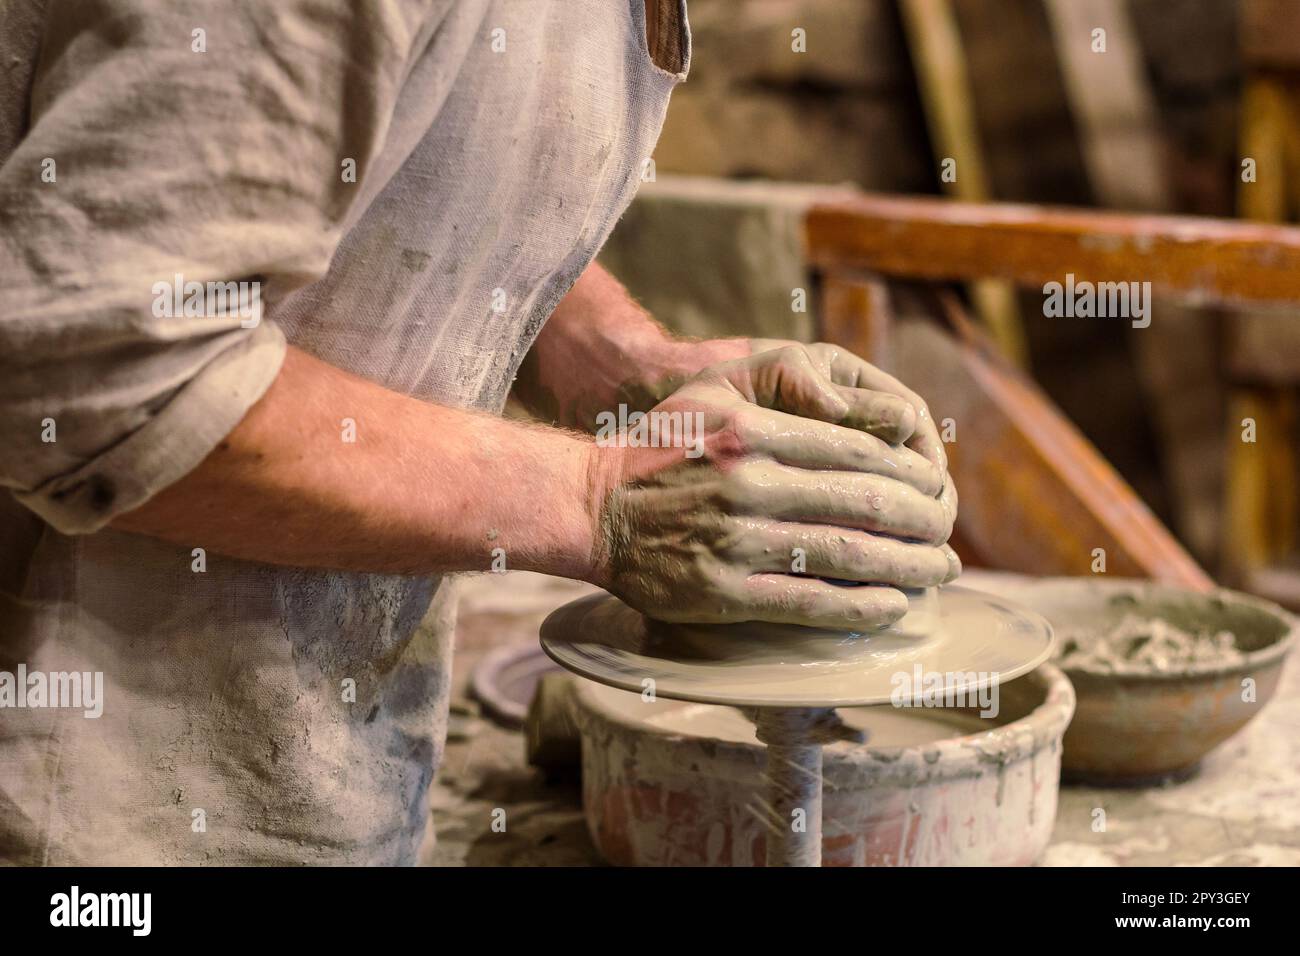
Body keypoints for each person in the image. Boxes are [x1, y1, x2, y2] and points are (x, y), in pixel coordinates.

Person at [0, 0, 956, 864]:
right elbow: (99, 369)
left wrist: (631, 371)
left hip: (307, 752)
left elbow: (408, 161)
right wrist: (596, 502)